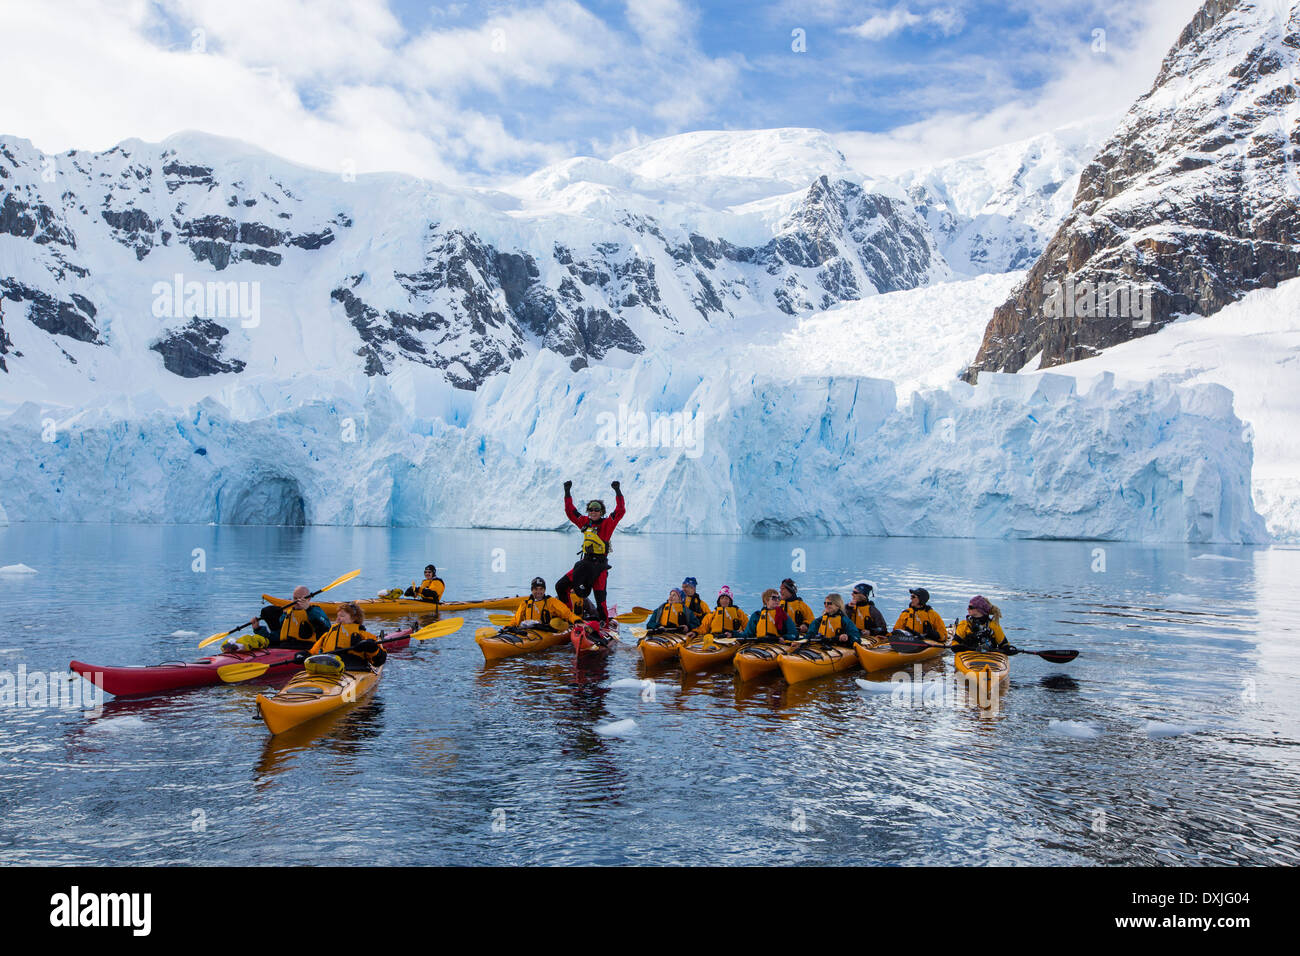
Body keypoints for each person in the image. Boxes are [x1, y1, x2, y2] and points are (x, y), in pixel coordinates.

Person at [556, 480, 626, 622]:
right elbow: (570, 512)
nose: (593, 512)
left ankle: (604, 625)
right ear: (588, 511)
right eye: (591, 510)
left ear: (601, 512)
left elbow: (620, 510)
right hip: (585, 564)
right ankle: (569, 617)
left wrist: (618, 491)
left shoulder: (607, 524)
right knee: (561, 586)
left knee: (600, 601)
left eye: (597, 510)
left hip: (599, 567)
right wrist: (567, 492)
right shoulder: (584, 522)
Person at [230, 586, 329, 652]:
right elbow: (277, 636)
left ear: (308, 599)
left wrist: (308, 609)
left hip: (305, 648)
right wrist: (258, 629)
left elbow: (325, 628)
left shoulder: (315, 611)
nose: (297, 601)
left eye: (301, 598)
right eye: (295, 598)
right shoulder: (287, 613)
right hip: (285, 647)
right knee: (259, 641)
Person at [302, 602, 387, 671]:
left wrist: (372, 648)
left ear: (354, 619)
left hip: (353, 668)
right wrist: (304, 655)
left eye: (342, 616)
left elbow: (379, 661)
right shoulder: (327, 635)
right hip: (328, 668)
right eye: (337, 616)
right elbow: (313, 652)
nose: (338, 619)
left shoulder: (365, 636)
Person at [507, 577, 581, 631]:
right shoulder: (525, 604)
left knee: (553, 622)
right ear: (532, 590)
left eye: (541, 589)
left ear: (544, 590)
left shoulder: (551, 602)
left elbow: (567, 613)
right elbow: (515, 620)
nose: (538, 592)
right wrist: (507, 628)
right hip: (529, 631)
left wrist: (577, 620)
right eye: (536, 589)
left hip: (546, 631)